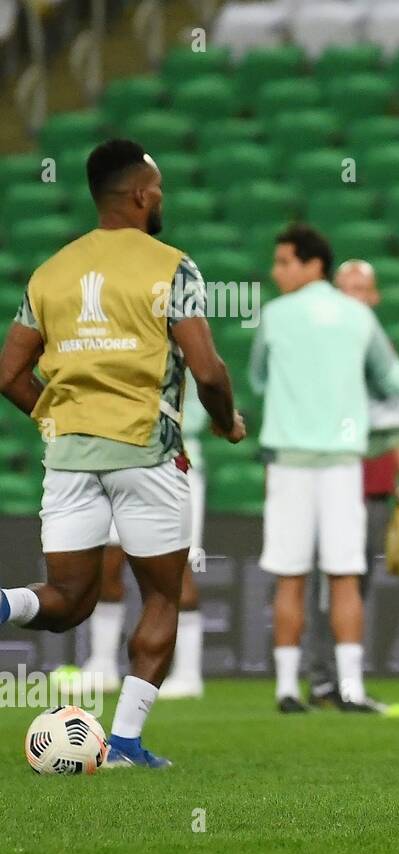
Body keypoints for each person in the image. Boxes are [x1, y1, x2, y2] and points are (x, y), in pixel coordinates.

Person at [0, 139, 242, 767]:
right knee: (161, 594)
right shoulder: (171, 266)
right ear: (140, 195)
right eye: (157, 190)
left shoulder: (50, 271)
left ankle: (3, 604)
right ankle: (127, 743)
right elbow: (209, 370)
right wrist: (227, 423)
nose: (160, 199)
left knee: (66, 602)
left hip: (69, 456)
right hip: (146, 450)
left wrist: (57, 421)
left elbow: (8, 374)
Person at [251, 225, 399, 714]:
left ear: (312, 264)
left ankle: (285, 689)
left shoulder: (275, 316)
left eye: (284, 262)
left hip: (289, 463)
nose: (277, 271)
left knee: (290, 577)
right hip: (343, 463)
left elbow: (258, 378)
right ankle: (350, 689)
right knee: (344, 576)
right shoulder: (357, 316)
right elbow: (393, 378)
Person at [303, 258, 399, 708]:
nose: (355, 294)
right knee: (331, 580)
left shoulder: (380, 344)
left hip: (374, 478)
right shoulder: (325, 345)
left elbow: (391, 420)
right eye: (346, 287)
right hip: (334, 473)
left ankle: (342, 678)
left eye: (362, 288)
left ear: (374, 296)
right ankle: (322, 680)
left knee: (359, 582)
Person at [80, 370, 210, 699]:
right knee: (108, 561)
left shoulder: (178, 334)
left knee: (178, 566)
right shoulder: (117, 339)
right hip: (117, 458)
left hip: (174, 457)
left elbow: (205, 385)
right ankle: (102, 666)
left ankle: (188, 673)